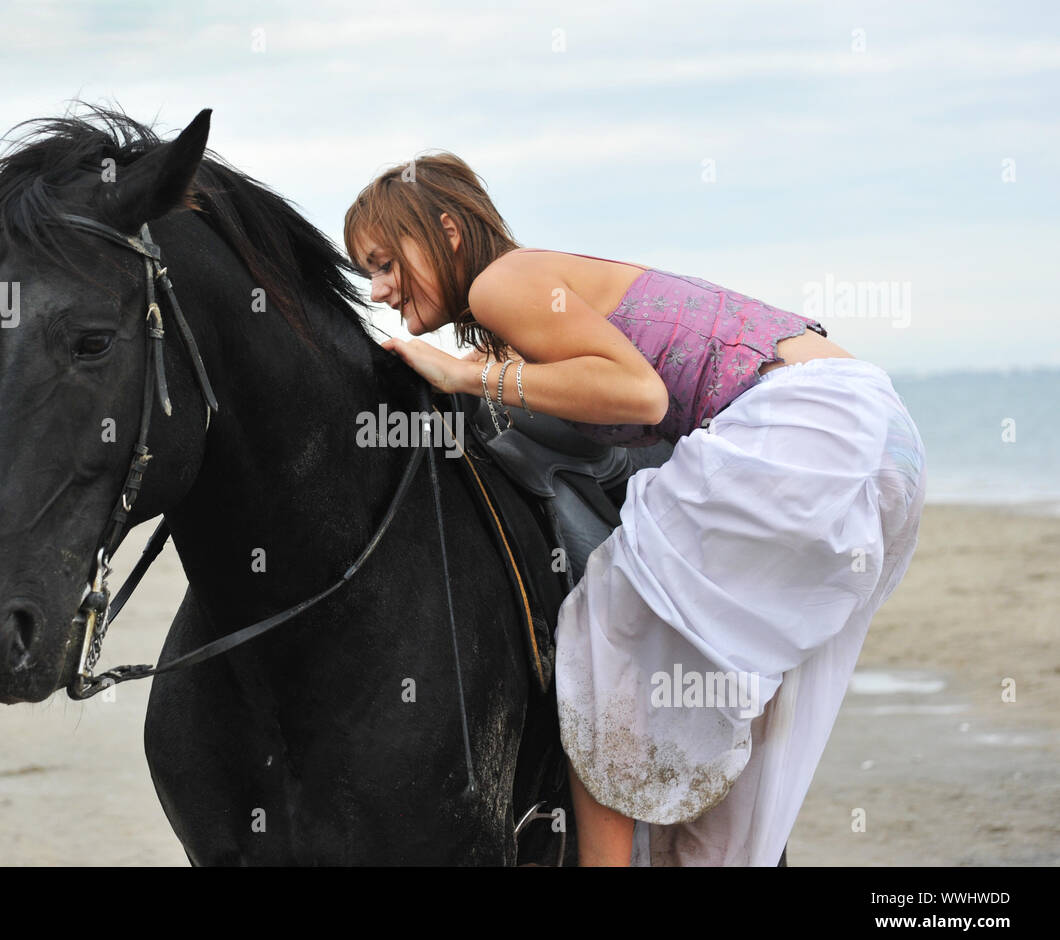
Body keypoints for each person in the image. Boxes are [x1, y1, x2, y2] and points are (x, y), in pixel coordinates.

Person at [345, 152, 928, 866]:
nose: (379, 291)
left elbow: (641, 396)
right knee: (734, 692)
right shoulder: (540, 288)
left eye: (384, 263)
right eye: (367, 275)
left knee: (604, 626)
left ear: (446, 229)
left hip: (807, 426)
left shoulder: (504, 282)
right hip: (877, 440)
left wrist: (466, 374)